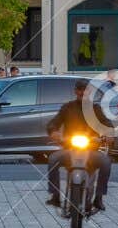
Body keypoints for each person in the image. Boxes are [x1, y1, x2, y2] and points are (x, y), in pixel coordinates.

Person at [45, 79, 112, 211]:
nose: (83, 92)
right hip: (70, 150)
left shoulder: (96, 109)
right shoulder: (67, 107)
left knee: (106, 162)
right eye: (80, 89)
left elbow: (107, 124)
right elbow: (53, 123)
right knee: (52, 159)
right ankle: (55, 195)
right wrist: (54, 132)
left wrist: (109, 134)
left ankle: (98, 197)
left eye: (86, 90)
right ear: (76, 91)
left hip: (91, 150)